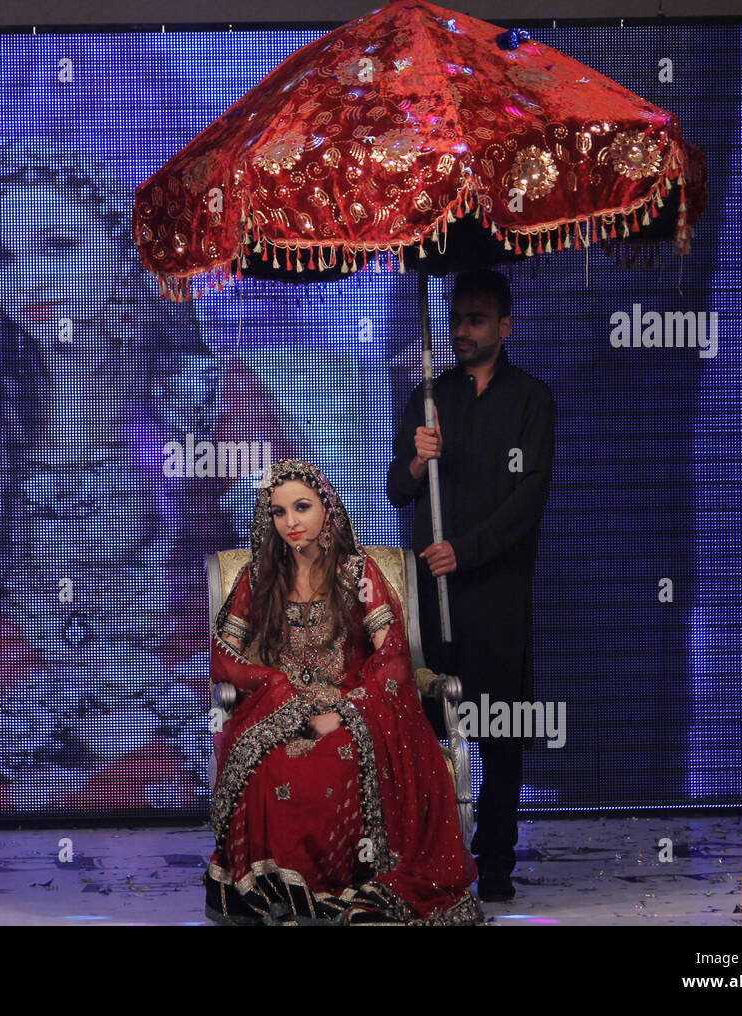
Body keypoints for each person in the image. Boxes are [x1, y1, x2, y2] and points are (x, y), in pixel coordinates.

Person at [0, 141, 299, 814]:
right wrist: (4, 650)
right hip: (8, 686)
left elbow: (296, 559)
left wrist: (153, 686)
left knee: (157, 795)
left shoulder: (203, 393)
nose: (26, 280)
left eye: (57, 246)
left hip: (175, 689)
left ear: (119, 252)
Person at [204, 458, 484, 925]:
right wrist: (274, 683)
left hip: (353, 707)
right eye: (278, 512)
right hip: (281, 709)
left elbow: (393, 654)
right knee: (268, 763)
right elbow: (222, 659)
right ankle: (286, 895)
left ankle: (350, 891)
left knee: (331, 758)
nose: (291, 522)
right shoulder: (259, 576)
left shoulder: (358, 572)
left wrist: (351, 711)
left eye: (302, 507)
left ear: (327, 509)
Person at [387, 268, 556, 902]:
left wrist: (468, 549)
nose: (462, 330)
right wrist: (417, 459)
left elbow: (528, 499)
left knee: (499, 732)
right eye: (456, 319)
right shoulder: (428, 399)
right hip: (431, 597)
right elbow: (397, 491)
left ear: (505, 326)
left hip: (497, 595)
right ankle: (432, 856)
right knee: (429, 728)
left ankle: (496, 862)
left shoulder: (533, 402)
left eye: (476, 319)